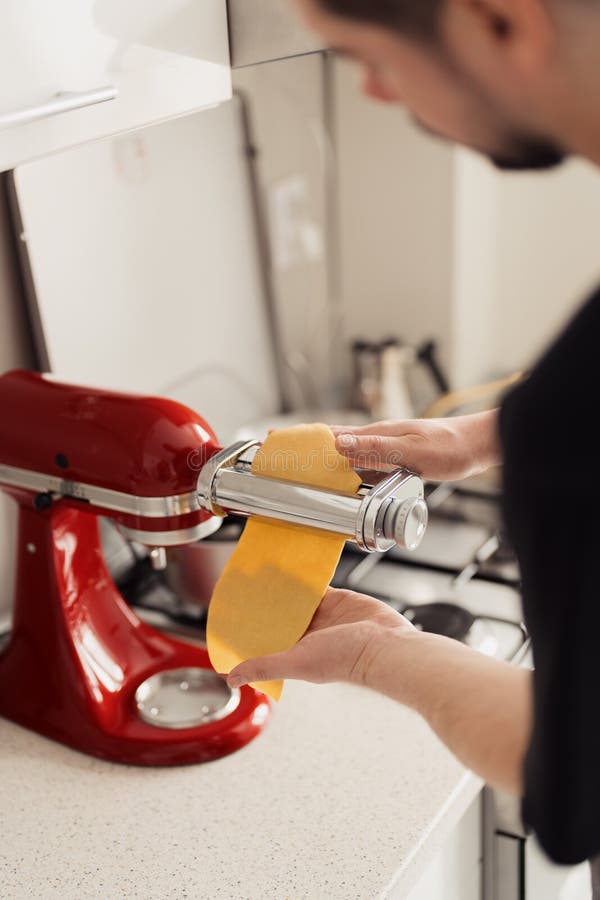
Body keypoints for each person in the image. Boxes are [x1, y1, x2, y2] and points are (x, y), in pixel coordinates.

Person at [227, 0, 600, 878]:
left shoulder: (567, 430)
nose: (375, 90)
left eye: (369, 56)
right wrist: (482, 435)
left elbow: (577, 784)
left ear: (503, 18)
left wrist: (378, 653)